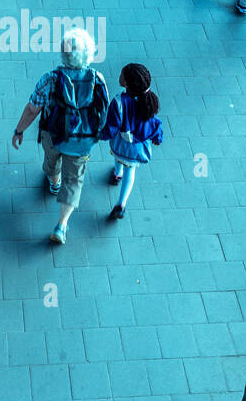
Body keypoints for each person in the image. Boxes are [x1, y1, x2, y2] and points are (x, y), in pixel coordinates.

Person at [11, 27, 110, 245]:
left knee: (51, 160)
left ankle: (53, 181)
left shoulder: (50, 80)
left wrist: (19, 130)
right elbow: (103, 112)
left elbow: (32, 109)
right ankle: (62, 225)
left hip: (53, 135)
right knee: (74, 181)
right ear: (88, 53)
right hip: (82, 142)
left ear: (63, 54)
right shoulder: (98, 79)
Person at [101, 63, 164, 219]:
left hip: (120, 144)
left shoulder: (118, 102)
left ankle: (116, 174)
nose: (119, 76)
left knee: (118, 158)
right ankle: (121, 205)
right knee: (131, 170)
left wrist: (99, 135)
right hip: (137, 148)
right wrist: (158, 138)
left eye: (122, 75)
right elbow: (154, 123)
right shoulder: (150, 100)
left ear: (127, 83)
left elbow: (111, 128)